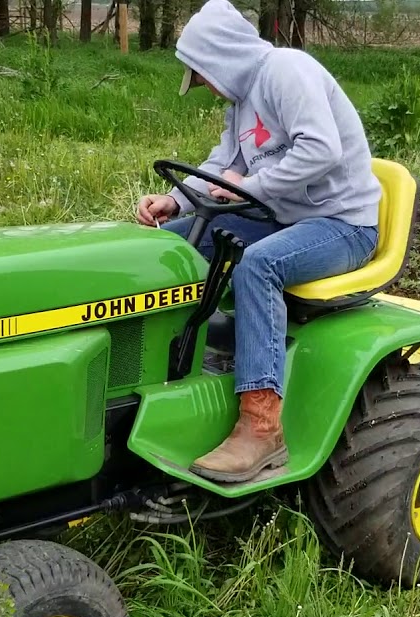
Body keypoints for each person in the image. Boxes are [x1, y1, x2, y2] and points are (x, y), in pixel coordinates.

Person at [135, 0, 382, 485]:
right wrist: (175, 202)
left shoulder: (287, 71)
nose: (206, 87)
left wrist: (252, 186)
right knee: (174, 247)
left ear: (220, 57)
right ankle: (162, 369)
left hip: (343, 223)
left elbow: (322, 149)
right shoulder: (241, 101)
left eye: (202, 76)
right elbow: (224, 163)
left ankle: (262, 427)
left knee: (258, 265)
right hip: (283, 217)